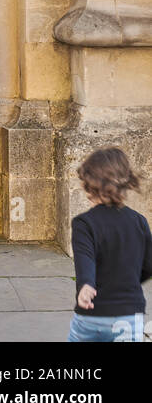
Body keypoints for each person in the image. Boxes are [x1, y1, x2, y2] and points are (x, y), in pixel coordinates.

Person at [68, 147, 152, 342]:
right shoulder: (139, 221)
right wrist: (128, 280)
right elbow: (149, 263)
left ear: (89, 185)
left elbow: (84, 257)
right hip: (129, 315)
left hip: (92, 314)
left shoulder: (84, 223)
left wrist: (86, 285)